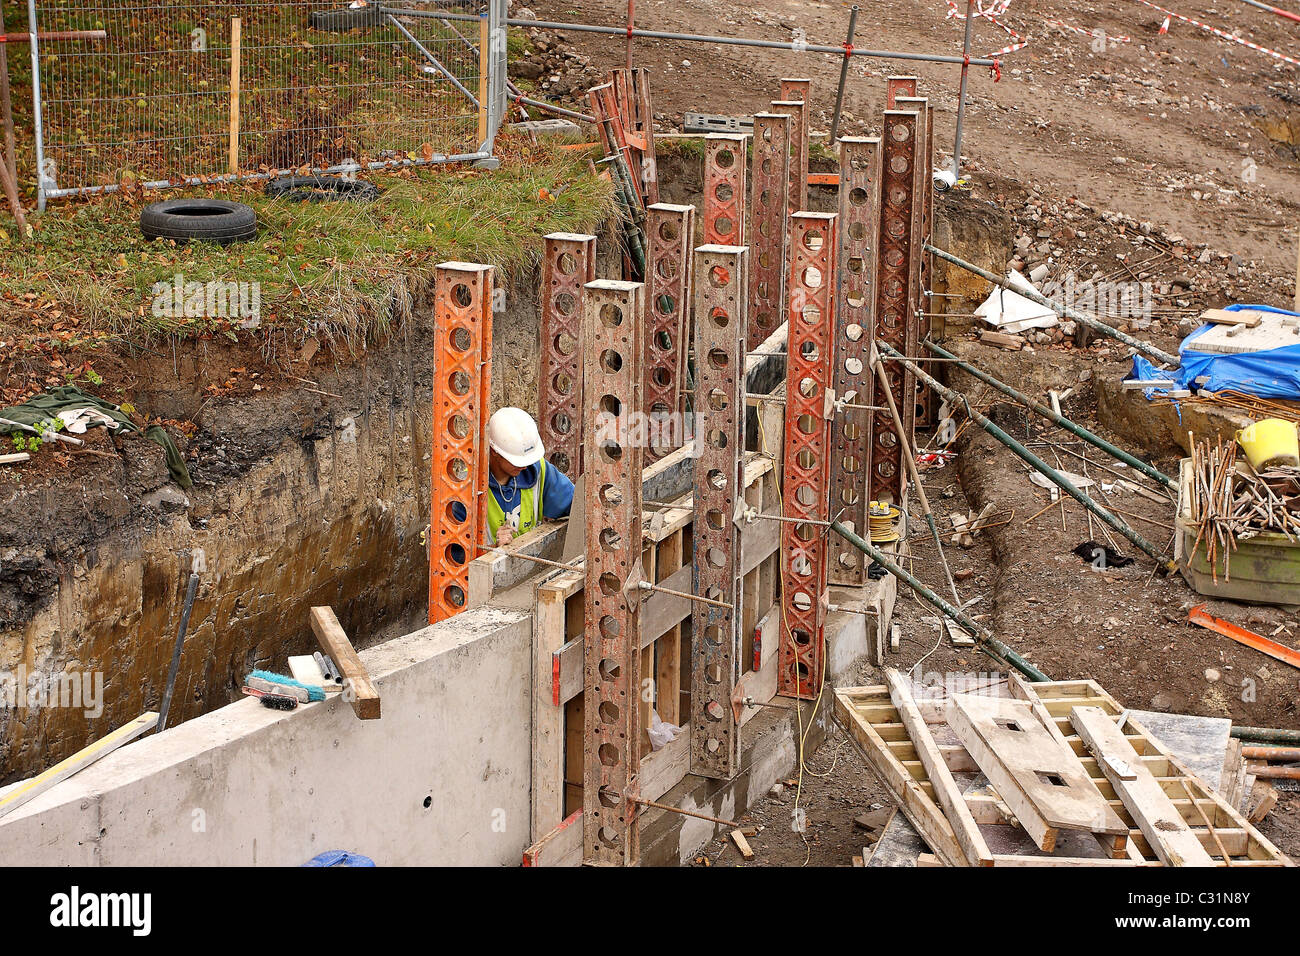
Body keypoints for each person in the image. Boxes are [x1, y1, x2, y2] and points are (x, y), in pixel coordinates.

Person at [483, 407, 575, 546]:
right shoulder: (469, 486)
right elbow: (454, 558)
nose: (525, 466)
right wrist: (492, 548)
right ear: (494, 451)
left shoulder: (536, 470)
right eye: (517, 460)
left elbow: (575, 503)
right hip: (484, 568)